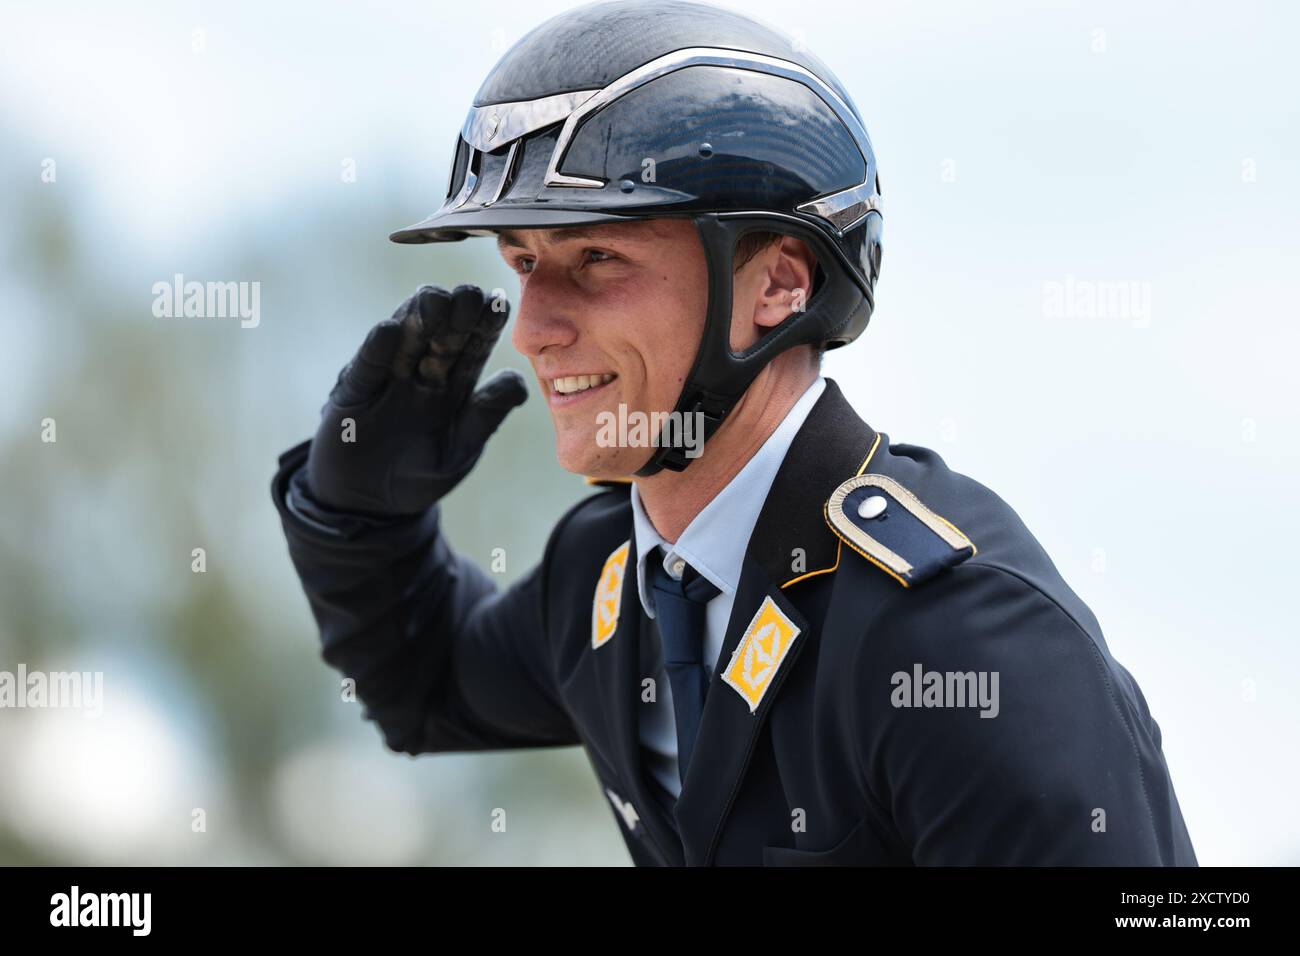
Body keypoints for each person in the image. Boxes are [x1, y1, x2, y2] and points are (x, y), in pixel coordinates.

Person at [271, 0, 1197, 866]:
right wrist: (353, 515)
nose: (533, 327)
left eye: (596, 258)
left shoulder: (960, 642)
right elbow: (426, 683)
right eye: (523, 263)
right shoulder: (609, 575)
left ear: (779, 285)